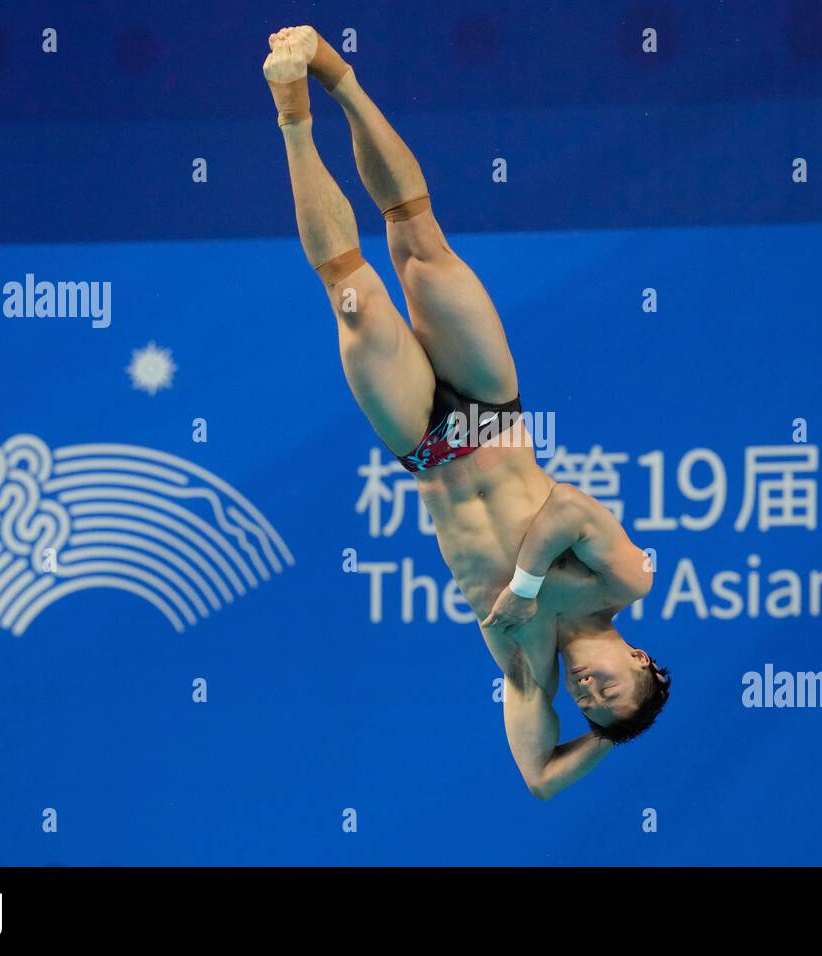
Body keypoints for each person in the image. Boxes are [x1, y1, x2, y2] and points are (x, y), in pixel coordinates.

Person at [264, 26, 670, 798]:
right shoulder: (624, 582)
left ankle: (291, 113)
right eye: (613, 692)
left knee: (352, 298)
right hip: (492, 410)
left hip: (426, 448)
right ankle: (336, 73)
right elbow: (573, 513)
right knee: (417, 240)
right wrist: (522, 586)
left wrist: (617, 735)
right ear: (641, 660)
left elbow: (540, 780)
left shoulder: (527, 670)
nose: (590, 696)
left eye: (593, 706)